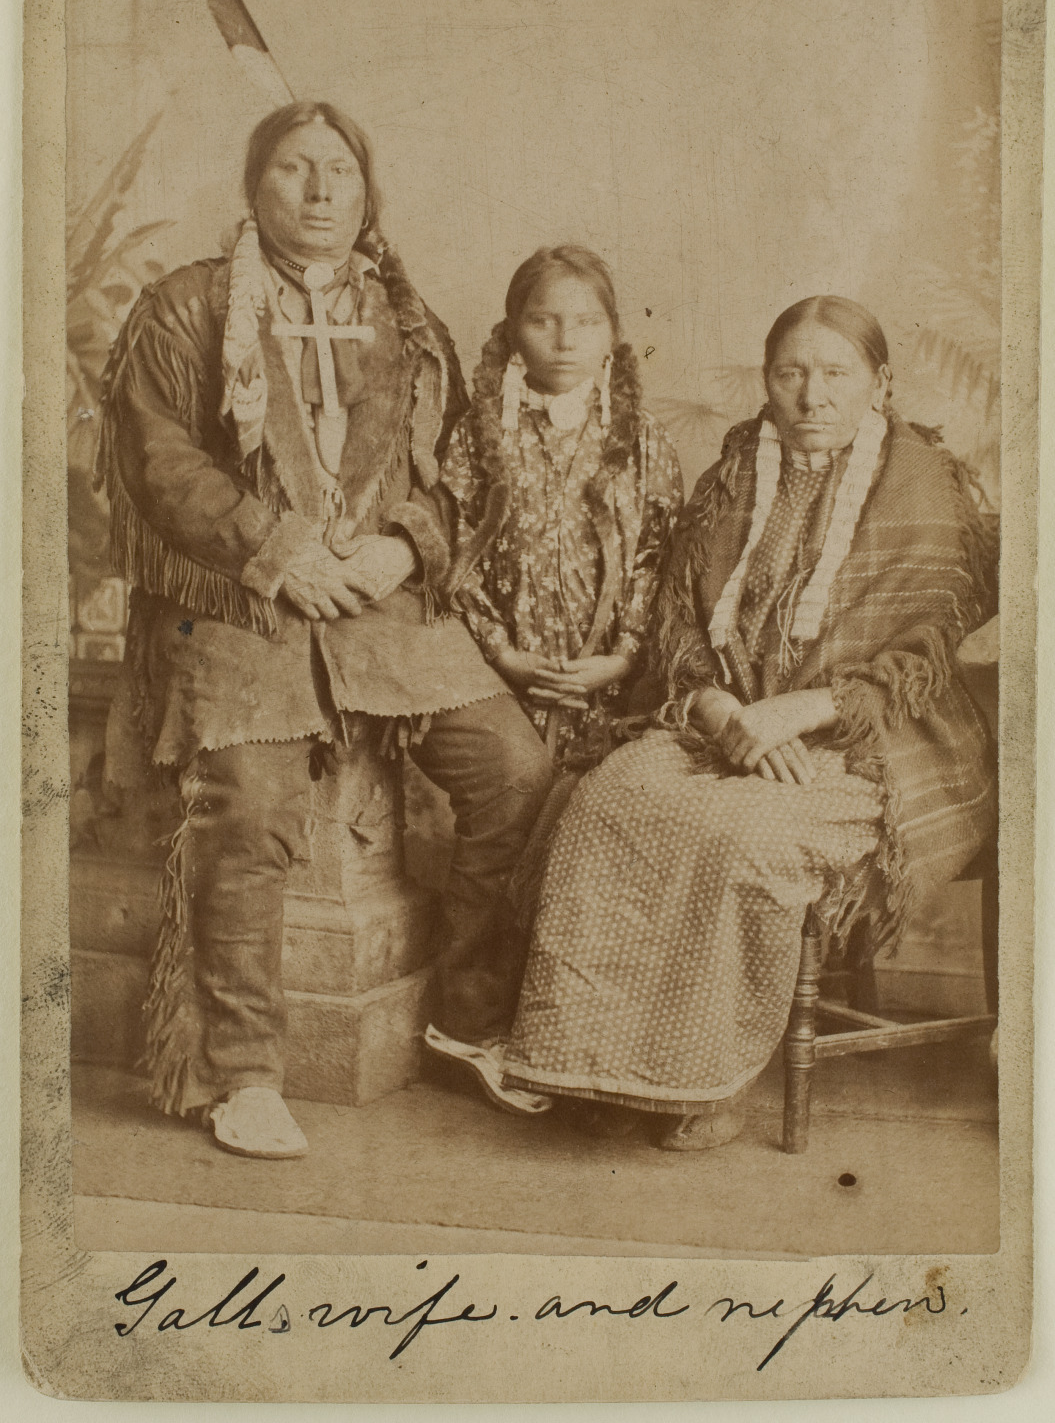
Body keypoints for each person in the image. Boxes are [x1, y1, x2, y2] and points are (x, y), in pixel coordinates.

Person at [98, 101, 555, 1158]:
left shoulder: (407, 319)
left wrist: (403, 547)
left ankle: (465, 1017)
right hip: (238, 595)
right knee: (248, 805)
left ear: (366, 191)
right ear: (253, 185)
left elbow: (459, 470)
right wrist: (277, 549)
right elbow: (158, 461)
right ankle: (241, 1073)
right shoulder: (190, 306)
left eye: (338, 172)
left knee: (514, 768)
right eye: (294, 170)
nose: (317, 192)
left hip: (377, 594)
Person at [502, 295, 998, 1149]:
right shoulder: (735, 471)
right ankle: (595, 1066)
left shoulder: (924, 483)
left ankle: (707, 1082)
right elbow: (680, 624)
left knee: (737, 838)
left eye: (834, 374)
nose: (811, 395)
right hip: (725, 720)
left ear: (877, 383)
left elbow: (922, 648)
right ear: (767, 382)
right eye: (790, 373)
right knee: (607, 804)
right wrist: (719, 705)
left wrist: (801, 711)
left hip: (876, 741)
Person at [439, 246, 683, 774]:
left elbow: (655, 558)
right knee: (513, 798)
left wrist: (624, 655)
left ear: (614, 334)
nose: (566, 342)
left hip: (611, 679)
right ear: (512, 331)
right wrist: (502, 652)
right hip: (503, 674)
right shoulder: (478, 437)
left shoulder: (643, 440)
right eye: (542, 321)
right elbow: (459, 548)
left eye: (587, 323)